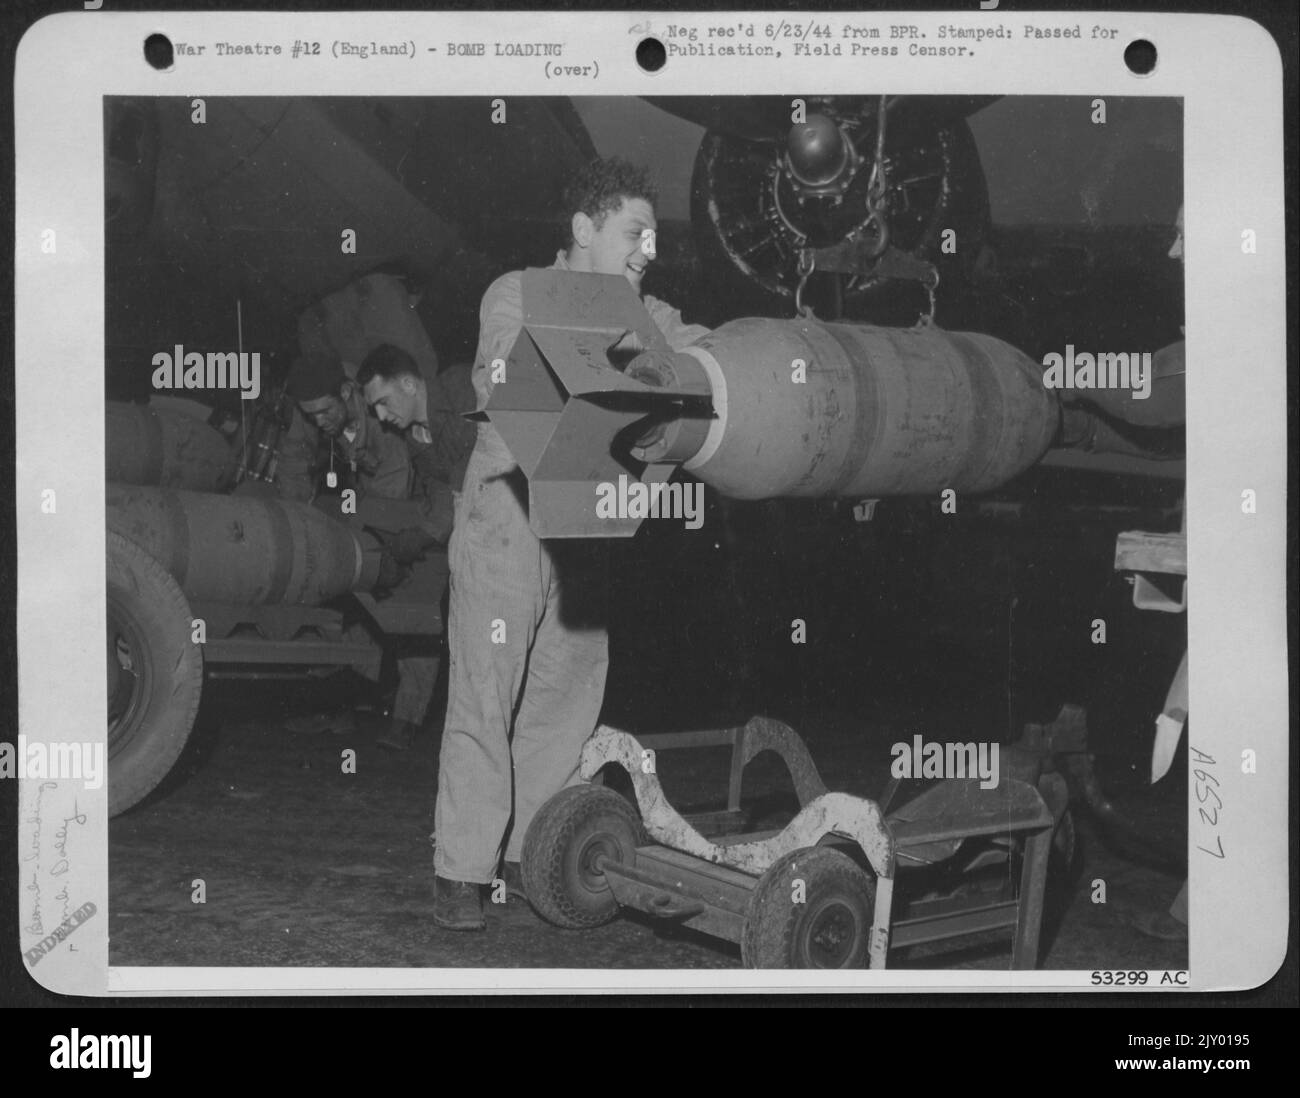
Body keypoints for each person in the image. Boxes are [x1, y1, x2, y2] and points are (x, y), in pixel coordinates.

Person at [400, 157, 711, 931]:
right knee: (485, 692)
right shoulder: (515, 293)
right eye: (635, 232)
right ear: (583, 229)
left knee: (565, 701)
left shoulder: (649, 313)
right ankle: (463, 872)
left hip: (586, 526)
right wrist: (628, 361)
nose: (650, 250)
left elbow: (712, 355)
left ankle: (529, 857)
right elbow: (505, 383)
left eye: (655, 237)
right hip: (507, 516)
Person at [284, 351, 456, 750]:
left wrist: (354, 536)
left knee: (412, 610)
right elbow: (293, 461)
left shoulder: (384, 419)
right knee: (349, 607)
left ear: (347, 394)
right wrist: (297, 521)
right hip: (362, 501)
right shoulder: (311, 403)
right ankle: (343, 703)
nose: (319, 422)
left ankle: (406, 718)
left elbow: (390, 500)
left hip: (412, 513)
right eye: (310, 416)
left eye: (326, 412)